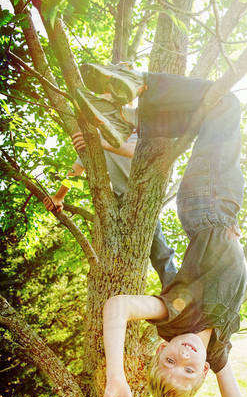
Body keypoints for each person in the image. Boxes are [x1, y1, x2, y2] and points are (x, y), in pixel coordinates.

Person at [83, 63, 247, 397]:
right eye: (189, 369)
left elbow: (117, 307)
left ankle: (136, 87)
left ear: (159, 351)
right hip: (219, 205)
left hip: (209, 203)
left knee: (223, 103)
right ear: (203, 376)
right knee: (210, 112)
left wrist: (116, 377)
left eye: (171, 359)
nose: (186, 355)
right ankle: (121, 134)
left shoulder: (171, 316)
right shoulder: (217, 350)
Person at [43, 101, 177, 289]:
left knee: (160, 251)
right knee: (120, 252)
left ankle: (177, 294)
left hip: (144, 193)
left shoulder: (134, 127)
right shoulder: (94, 139)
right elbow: (76, 170)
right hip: (119, 200)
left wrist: (103, 143)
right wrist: (59, 196)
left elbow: (140, 152)